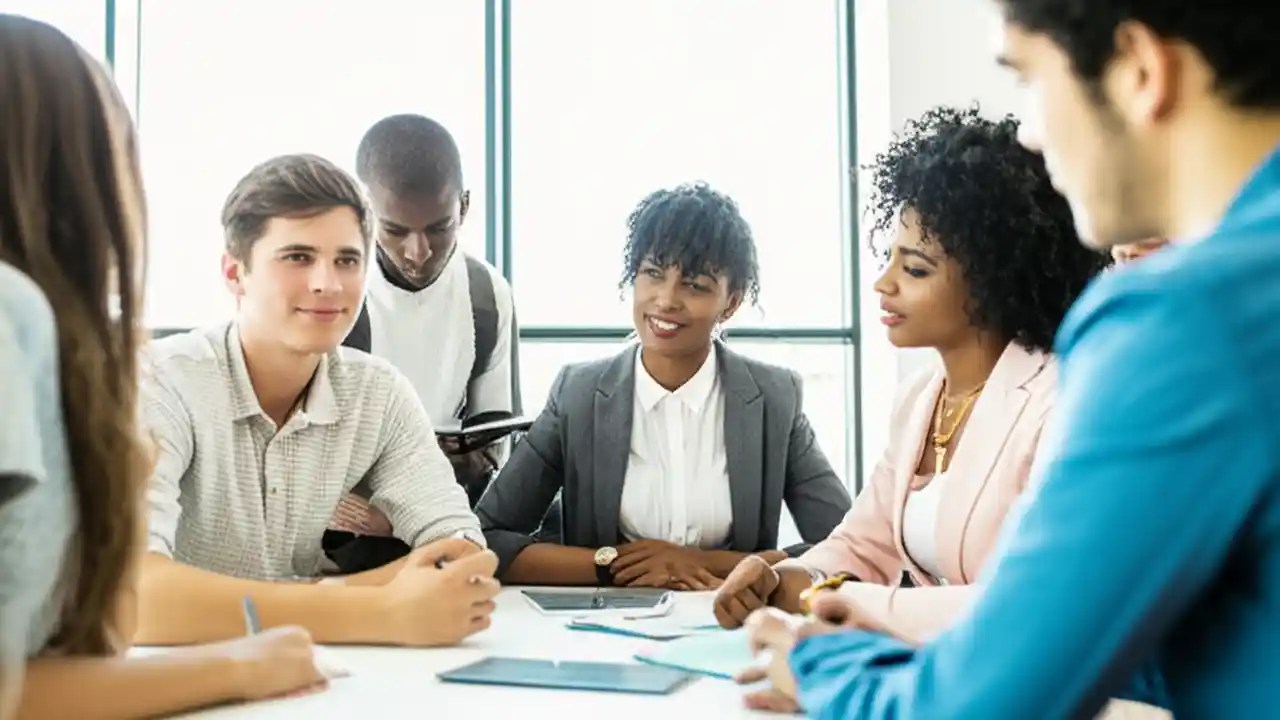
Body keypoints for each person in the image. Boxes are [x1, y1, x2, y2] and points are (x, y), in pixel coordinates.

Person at [745, 2, 1280, 718]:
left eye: (1029, 78)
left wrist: (819, 664)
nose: (1030, 131)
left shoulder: (1189, 319)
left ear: (1139, 71)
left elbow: (982, 704)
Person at [0, 14, 329, 717]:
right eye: (117, 143)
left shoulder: (65, 346)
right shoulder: (10, 311)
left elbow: (86, 634)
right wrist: (238, 665)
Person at [714, 106, 1109, 642]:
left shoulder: (1058, 400)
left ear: (992, 282)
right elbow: (862, 546)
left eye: (915, 268)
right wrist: (780, 579)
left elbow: (1025, 601)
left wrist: (849, 602)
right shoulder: (922, 398)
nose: (883, 283)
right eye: (891, 259)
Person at [135, 154, 500, 647]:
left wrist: (333, 601)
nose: (327, 283)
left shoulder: (379, 394)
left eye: (347, 260)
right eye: (298, 257)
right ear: (235, 273)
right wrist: (377, 608)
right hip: (168, 675)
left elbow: (463, 558)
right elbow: (135, 599)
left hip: (310, 671)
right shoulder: (161, 382)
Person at [476, 182, 852, 589]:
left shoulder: (774, 399)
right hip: (605, 619)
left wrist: (697, 563)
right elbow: (488, 539)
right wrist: (613, 564)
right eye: (653, 274)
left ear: (731, 301)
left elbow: (849, 548)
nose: (667, 300)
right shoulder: (577, 394)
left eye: (695, 285)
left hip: (727, 616)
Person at [325, 113, 525, 573]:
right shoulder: (330, 292)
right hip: (336, 543)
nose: (418, 252)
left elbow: (497, 440)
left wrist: (470, 461)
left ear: (465, 208)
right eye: (395, 231)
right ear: (363, 213)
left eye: (439, 227)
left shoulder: (486, 294)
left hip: (440, 526)